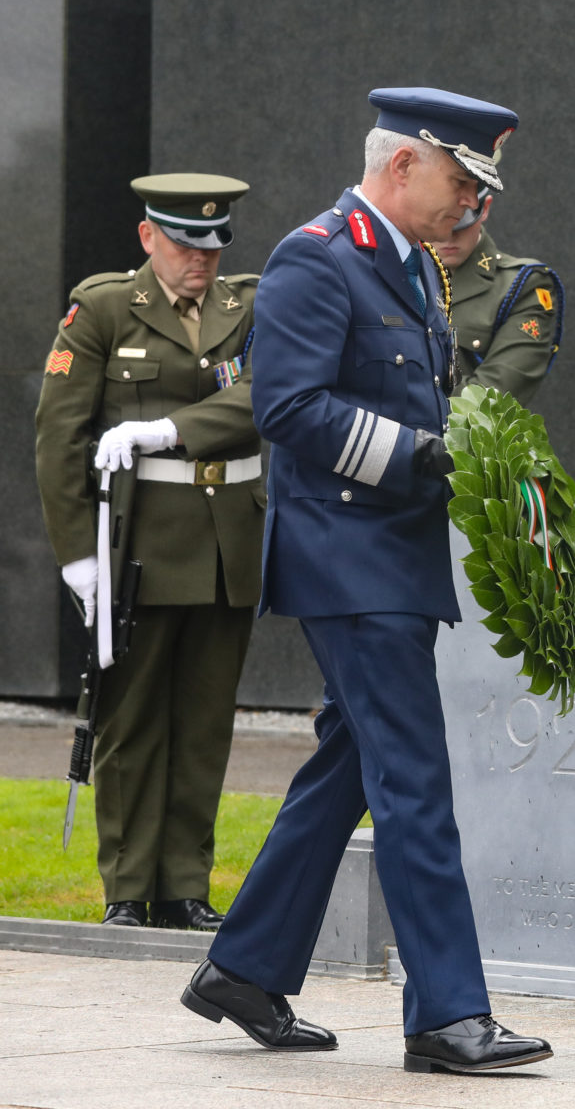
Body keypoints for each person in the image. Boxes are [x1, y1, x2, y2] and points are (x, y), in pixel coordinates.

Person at [180, 87, 551, 1072]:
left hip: (396, 558)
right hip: (348, 561)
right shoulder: (318, 256)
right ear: (401, 166)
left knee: (348, 768)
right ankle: (445, 1015)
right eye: (459, 179)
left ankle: (244, 970)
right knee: (414, 781)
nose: (471, 202)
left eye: (478, 185)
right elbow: (288, 409)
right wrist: (415, 457)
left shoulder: (415, 268)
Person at [33, 174, 262, 932]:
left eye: (214, 244)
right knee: (130, 723)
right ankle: (128, 889)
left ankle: (185, 887)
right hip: (138, 542)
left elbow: (271, 394)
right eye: (186, 244)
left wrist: (171, 429)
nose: (203, 260)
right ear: (147, 237)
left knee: (204, 720)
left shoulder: (251, 306)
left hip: (228, 539)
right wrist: (77, 556)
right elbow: (60, 436)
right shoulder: (102, 308)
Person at [431, 188, 564, 403]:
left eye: (460, 221)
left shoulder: (522, 286)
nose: (448, 233)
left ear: (485, 208)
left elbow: (491, 399)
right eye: (438, 220)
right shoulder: (399, 273)